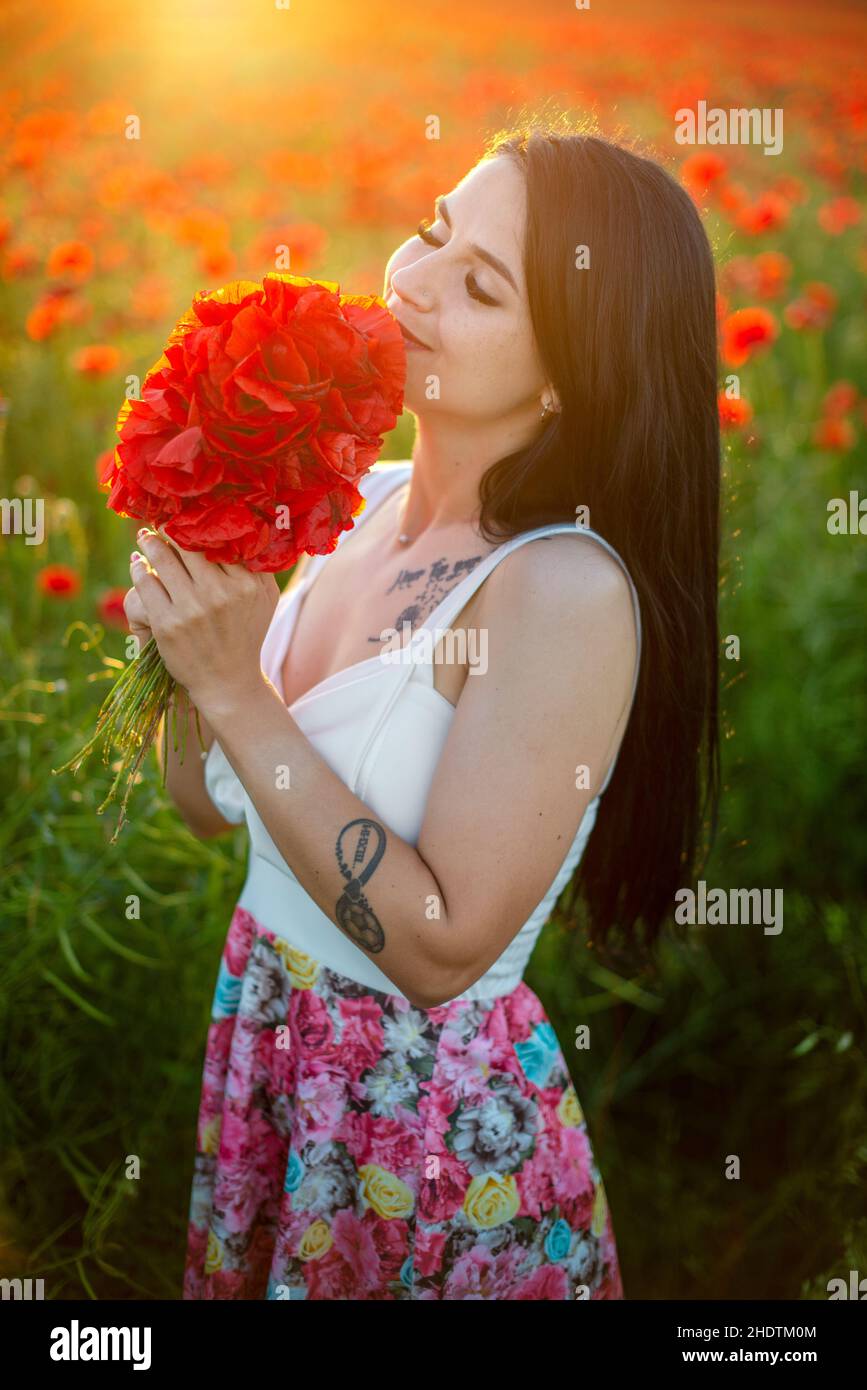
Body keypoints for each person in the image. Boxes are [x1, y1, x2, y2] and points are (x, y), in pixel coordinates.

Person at [125, 121, 721, 1300]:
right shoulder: (357, 502)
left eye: (481, 284)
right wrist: (185, 626)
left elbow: (446, 948)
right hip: (271, 1061)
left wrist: (241, 689)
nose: (411, 281)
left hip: (432, 1136)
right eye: (431, 232)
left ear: (569, 371)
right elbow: (209, 810)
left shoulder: (560, 589)